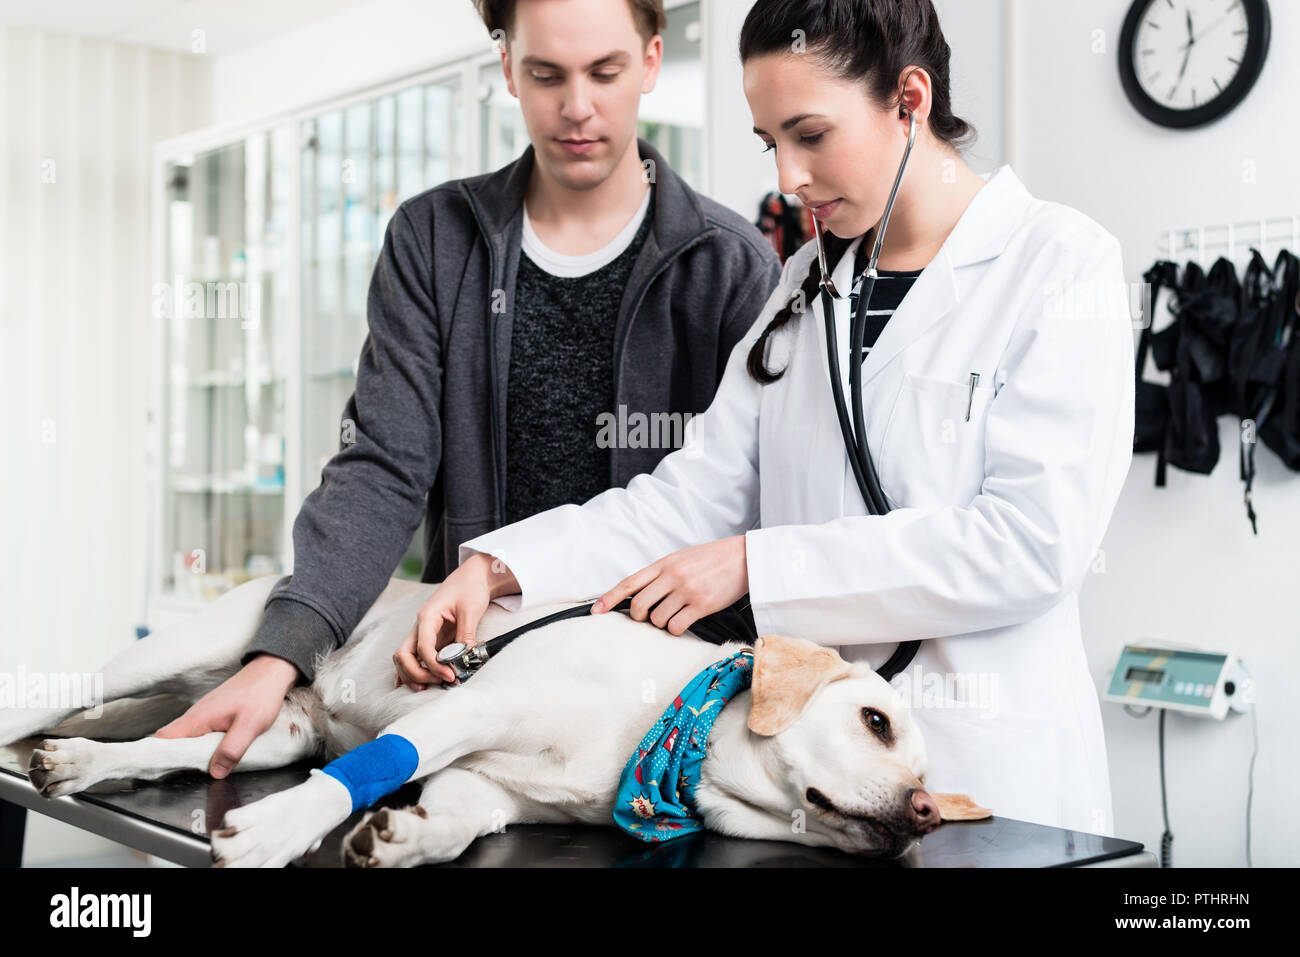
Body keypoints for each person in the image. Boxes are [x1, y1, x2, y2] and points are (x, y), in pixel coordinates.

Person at [413, 0, 1136, 836]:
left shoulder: (1057, 264)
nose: (788, 176)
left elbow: (1030, 545)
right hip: (815, 780)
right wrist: (502, 567)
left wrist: (761, 564)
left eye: (811, 135)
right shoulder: (804, 286)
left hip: (989, 774)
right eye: (771, 144)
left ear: (909, 98)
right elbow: (686, 502)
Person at [153, 0, 781, 779]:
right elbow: (382, 467)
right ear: (506, 64)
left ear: (653, 60)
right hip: (461, 682)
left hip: (647, 712)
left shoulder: (729, 267)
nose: (576, 107)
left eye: (606, 72)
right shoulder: (434, 240)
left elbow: (744, 507)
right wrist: (285, 649)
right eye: (546, 73)